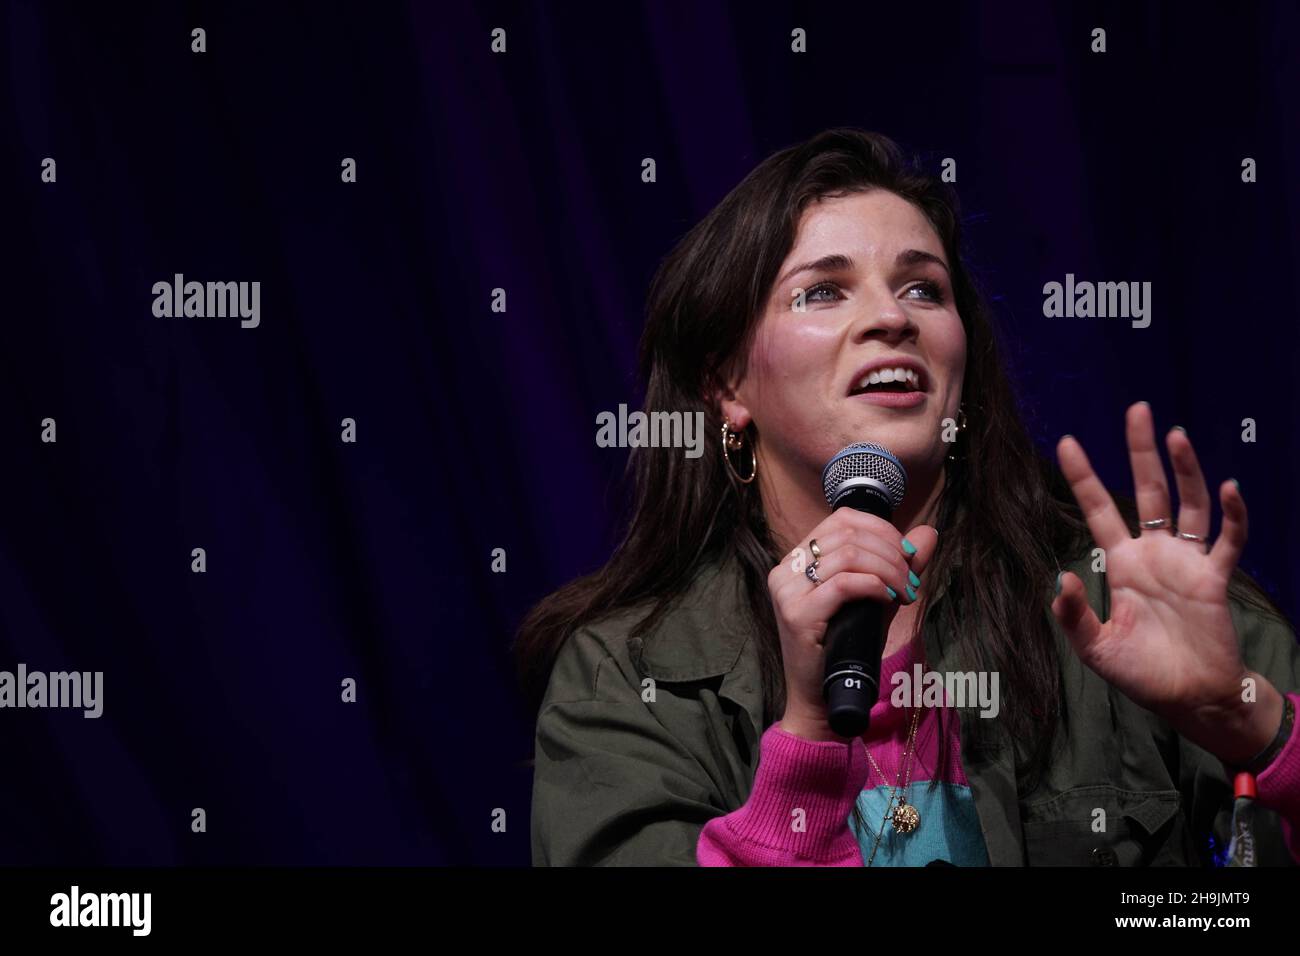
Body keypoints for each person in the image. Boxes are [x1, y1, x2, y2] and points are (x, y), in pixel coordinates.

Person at [514, 128, 1300, 866]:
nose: (891, 317)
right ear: (727, 383)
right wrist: (808, 741)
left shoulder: (1119, 596)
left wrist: (1250, 725)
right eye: (822, 292)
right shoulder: (627, 675)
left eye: (924, 288)